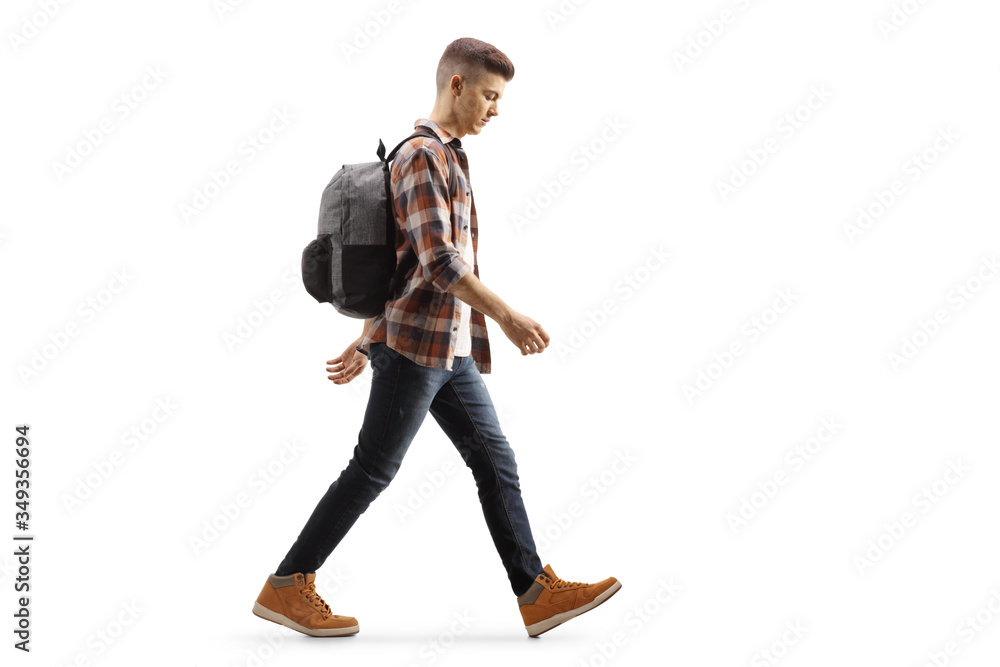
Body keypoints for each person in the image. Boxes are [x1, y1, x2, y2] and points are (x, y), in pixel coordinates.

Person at [252, 37, 620, 639]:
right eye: (490, 95)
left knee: (494, 459)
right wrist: (507, 315)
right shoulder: (424, 156)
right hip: (418, 347)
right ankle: (288, 585)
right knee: (372, 470)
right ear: (457, 85)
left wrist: (368, 334)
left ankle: (535, 593)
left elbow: (401, 265)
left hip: (444, 346)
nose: (496, 109)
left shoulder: (447, 155)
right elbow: (440, 262)